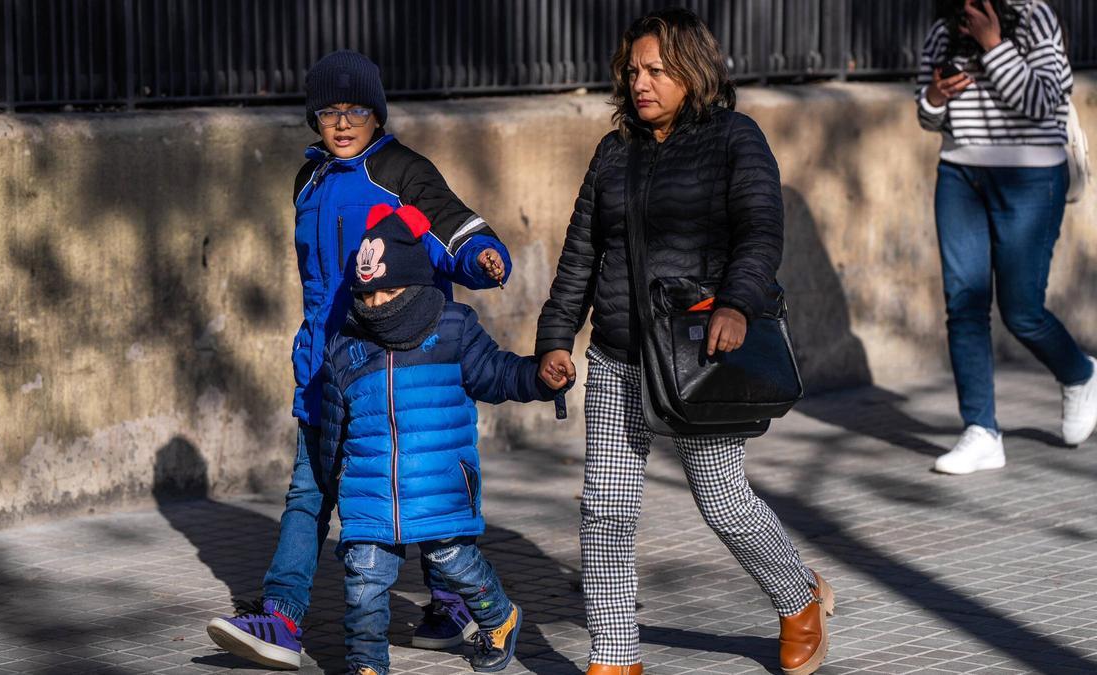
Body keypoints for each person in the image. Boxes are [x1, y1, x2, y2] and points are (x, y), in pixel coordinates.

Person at [534, 9, 832, 675]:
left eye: (656, 70)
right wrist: (555, 338)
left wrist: (736, 303)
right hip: (616, 356)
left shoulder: (735, 139)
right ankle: (615, 655)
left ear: (692, 73)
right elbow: (580, 256)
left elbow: (760, 229)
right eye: (633, 71)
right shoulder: (614, 153)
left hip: (697, 355)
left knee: (723, 499)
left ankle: (798, 595)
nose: (640, 83)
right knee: (607, 508)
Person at [206, 50, 511, 669]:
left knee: (417, 485)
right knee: (308, 492)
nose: (342, 123)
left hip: (398, 369)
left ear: (377, 113)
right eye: (328, 112)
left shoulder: (402, 170)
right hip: (325, 369)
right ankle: (282, 616)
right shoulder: (309, 181)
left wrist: (481, 254)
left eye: (356, 110)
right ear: (313, 119)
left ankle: (450, 601)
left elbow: (451, 232)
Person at [322, 204, 567, 674]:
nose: (376, 306)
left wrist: (539, 377)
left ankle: (499, 618)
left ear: (415, 285)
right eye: (366, 296)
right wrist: (332, 480)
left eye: (388, 292)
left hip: (439, 484)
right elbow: (335, 425)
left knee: (453, 558)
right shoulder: (346, 347)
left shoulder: (453, 328)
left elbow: (496, 375)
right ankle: (366, 663)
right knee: (364, 580)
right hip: (369, 492)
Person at [916, 0, 1097, 475]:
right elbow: (927, 116)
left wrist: (993, 45)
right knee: (964, 304)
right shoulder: (943, 29)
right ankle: (981, 431)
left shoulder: (1036, 19)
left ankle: (1080, 373)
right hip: (959, 175)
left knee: (1021, 310)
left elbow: (1044, 103)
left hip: (1032, 178)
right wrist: (935, 95)